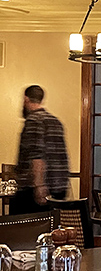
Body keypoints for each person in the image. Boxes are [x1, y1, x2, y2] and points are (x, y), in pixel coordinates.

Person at [10, 85, 70, 214]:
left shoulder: (33, 120)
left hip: (35, 190)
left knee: (19, 229)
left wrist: (39, 185)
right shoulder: (56, 122)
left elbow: (37, 155)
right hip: (59, 187)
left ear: (26, 99)